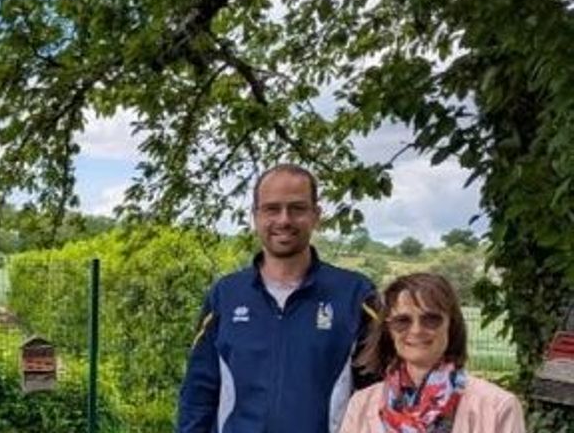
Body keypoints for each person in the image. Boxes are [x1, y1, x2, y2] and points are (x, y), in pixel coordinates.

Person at [178, 163, 380, 433]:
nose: (284, 220)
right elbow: (198, 394)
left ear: (316, 215)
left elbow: (380, 396)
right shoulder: (225, 295)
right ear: (256, 216)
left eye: (297, 208)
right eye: (272, 209)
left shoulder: (355, 295)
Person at [340, 272, 525, 433]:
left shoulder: (497, 407)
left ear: (451, 326)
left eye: (431, 319)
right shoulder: (362, 405)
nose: (416, 330)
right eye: (402, 321)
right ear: (388, 330)